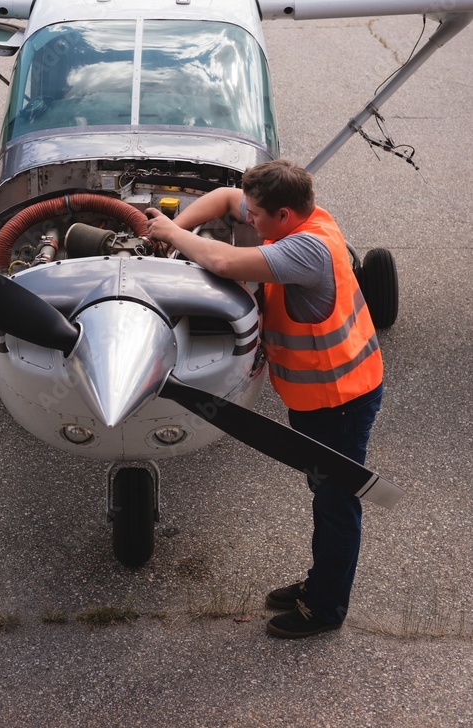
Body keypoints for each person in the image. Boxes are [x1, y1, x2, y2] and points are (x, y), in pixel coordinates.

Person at [145, 159, 383, 640]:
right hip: (321, 397)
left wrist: (171, 230)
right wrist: (182, 225)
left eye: (255, 215)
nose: (247, 220)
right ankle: (321, 582)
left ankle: (326, 607)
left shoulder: (307, 251)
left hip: (338, 401)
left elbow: (224, 262)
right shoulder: (307, 216)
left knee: (335, 505)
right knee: (324, 496)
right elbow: (220, 199)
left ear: (284, 216)